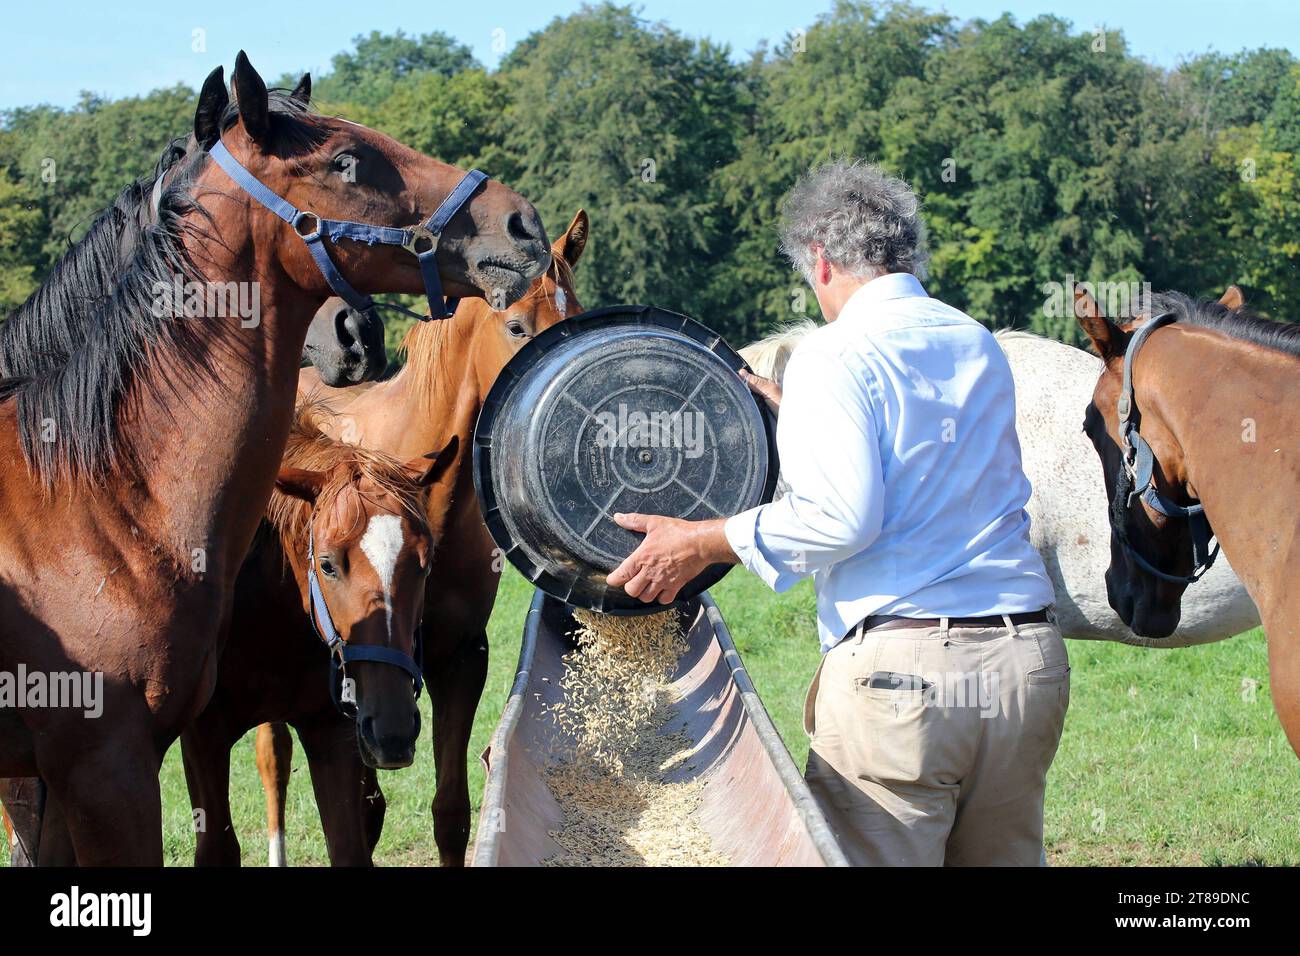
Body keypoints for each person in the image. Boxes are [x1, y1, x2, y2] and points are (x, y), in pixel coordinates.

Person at [607, 159, 1068, 866]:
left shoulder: (835, 352)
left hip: (908, 683)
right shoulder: (973, 339)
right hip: (1024, 668)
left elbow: (841, 520)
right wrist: (806, 419)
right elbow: (931, 454)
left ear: (820, 260)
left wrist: (701, 539)